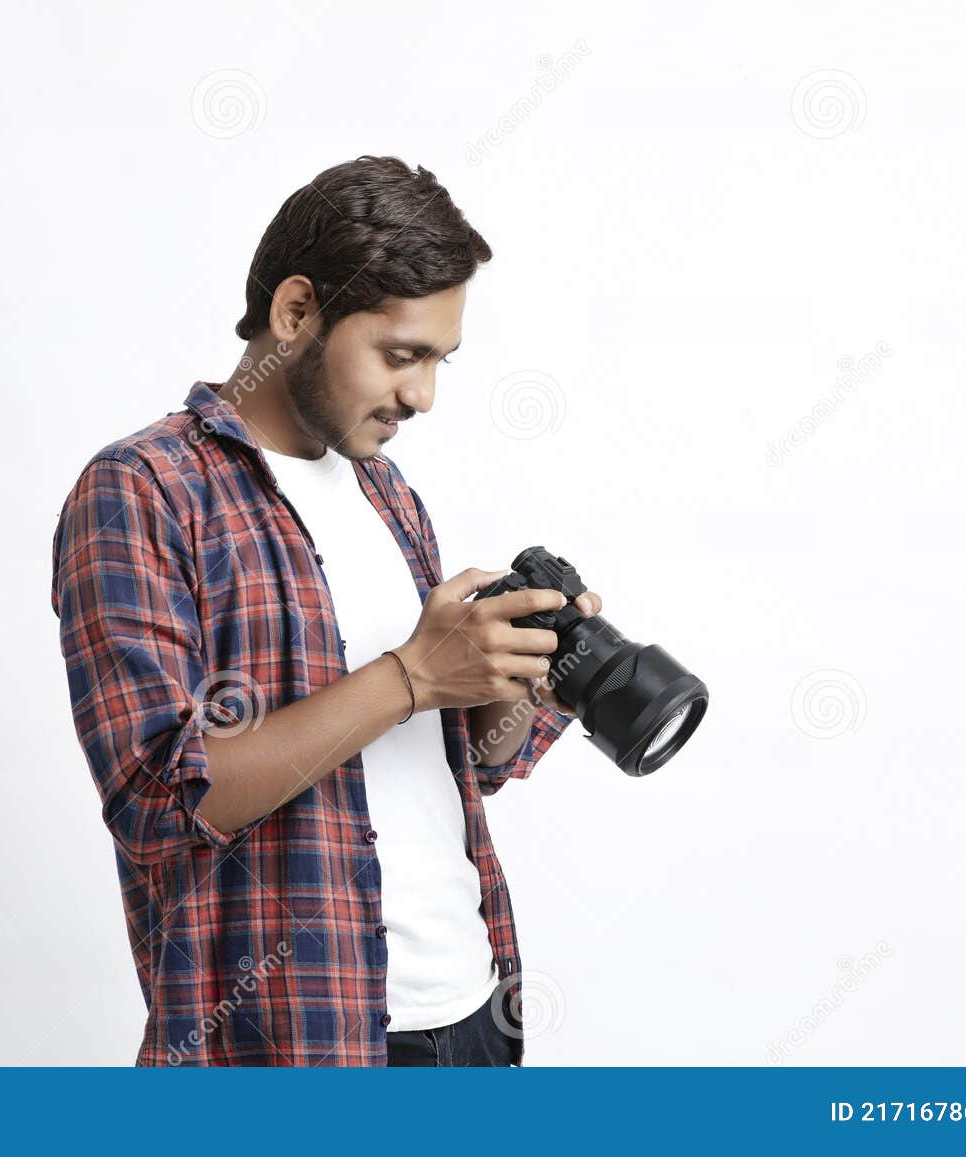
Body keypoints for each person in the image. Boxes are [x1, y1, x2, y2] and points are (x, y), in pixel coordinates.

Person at [50, 155, 601, 1066]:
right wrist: (411, 675)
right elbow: (158, 796)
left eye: (439, 361)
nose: (422, 395)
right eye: (402, 354)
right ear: (297, 313)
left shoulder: (387, 493)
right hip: (292, 1043)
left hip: (474, 1012)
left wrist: (534, 686)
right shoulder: (144, 489)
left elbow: (454, 766)